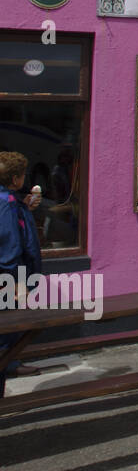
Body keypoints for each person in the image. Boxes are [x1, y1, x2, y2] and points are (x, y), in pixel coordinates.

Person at [0, 152, 43, 397]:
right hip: (7, 280)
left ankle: (11, 365)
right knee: (4, 336)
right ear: (16, 178)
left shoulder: (10, 200)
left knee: (9, 332)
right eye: (23, 174)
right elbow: (8, 247)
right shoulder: (6, 203)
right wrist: (16, 282)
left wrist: (24, 207)